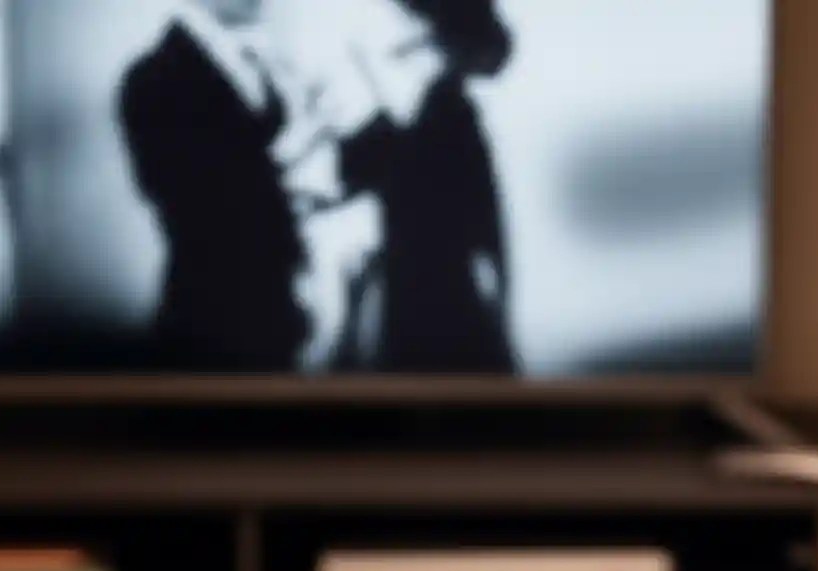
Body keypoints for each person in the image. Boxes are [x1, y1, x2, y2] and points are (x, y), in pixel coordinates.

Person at [118, 0, 309, 370]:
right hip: (212, 322)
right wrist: (287, 155)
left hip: (274, 313)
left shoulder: (258, 64)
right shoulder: (154, 79)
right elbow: (197, 208)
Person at [336, 0, 518, 373]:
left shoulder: (447, 115)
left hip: (435, 308)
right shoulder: (438, 114)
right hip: (426, 306)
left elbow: (485, 231)